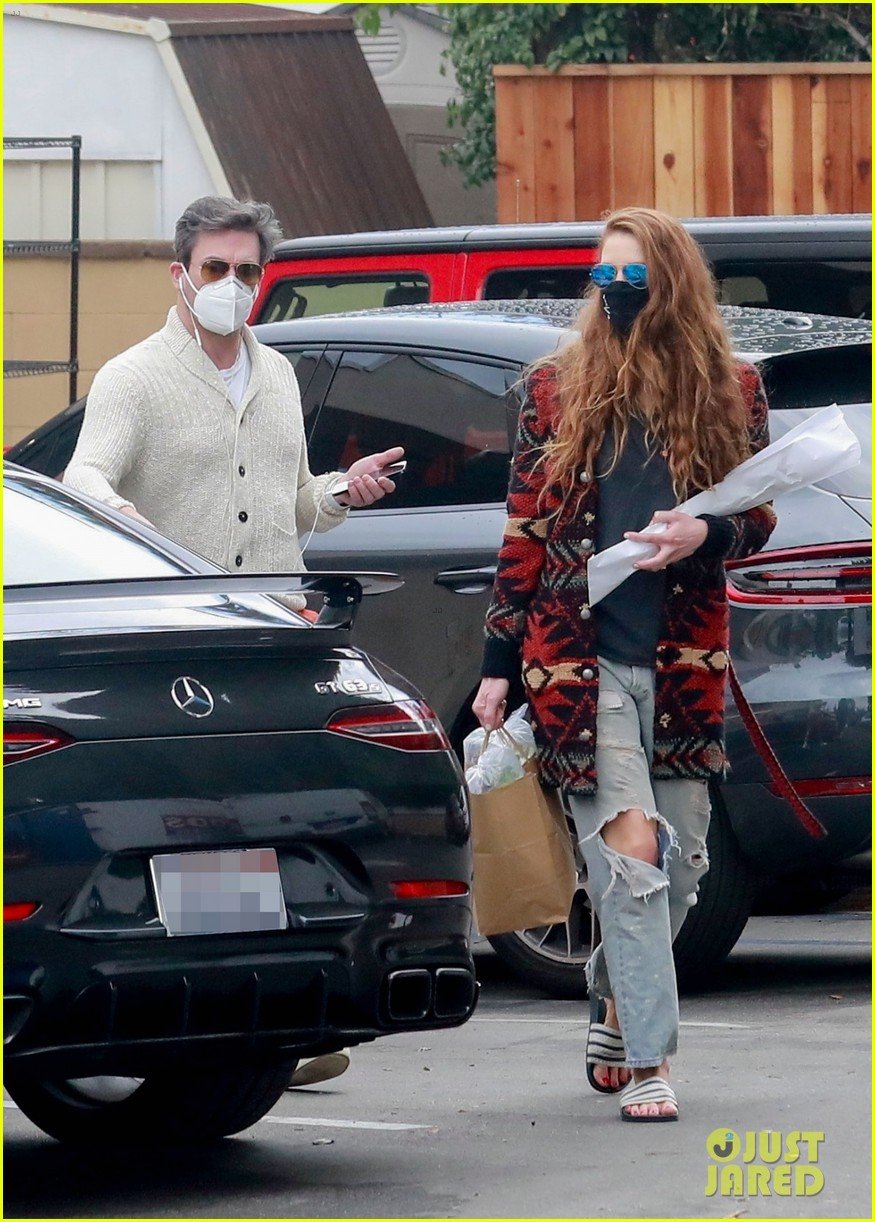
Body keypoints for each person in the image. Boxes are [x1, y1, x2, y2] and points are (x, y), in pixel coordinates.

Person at [65, 195, 404, 1089]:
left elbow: (289, 504)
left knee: (266, 829)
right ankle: (218, 1020)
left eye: (246, 271)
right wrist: (122, 517)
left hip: (273, 639)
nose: (231, 286)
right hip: (180, 648)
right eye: (214, 269)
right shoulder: (134, 377)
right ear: (180, 275)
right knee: (194, 830)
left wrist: (341, 491)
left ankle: (271, 1012)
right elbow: (84, 475)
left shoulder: (279, 375)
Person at [472, 207, 776, 1123]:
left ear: (671, 282)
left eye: (631, 276)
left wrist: (703, 531)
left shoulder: (729, 389)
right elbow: (523, 532)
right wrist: (497, 662)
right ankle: (650, 1060)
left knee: (679, 864)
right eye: (601, 276)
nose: (613, 292)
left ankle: (613, 995)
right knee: (633, 857)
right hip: (575, 662)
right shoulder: (552, 390)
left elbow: (757, 520)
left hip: (682, 662)